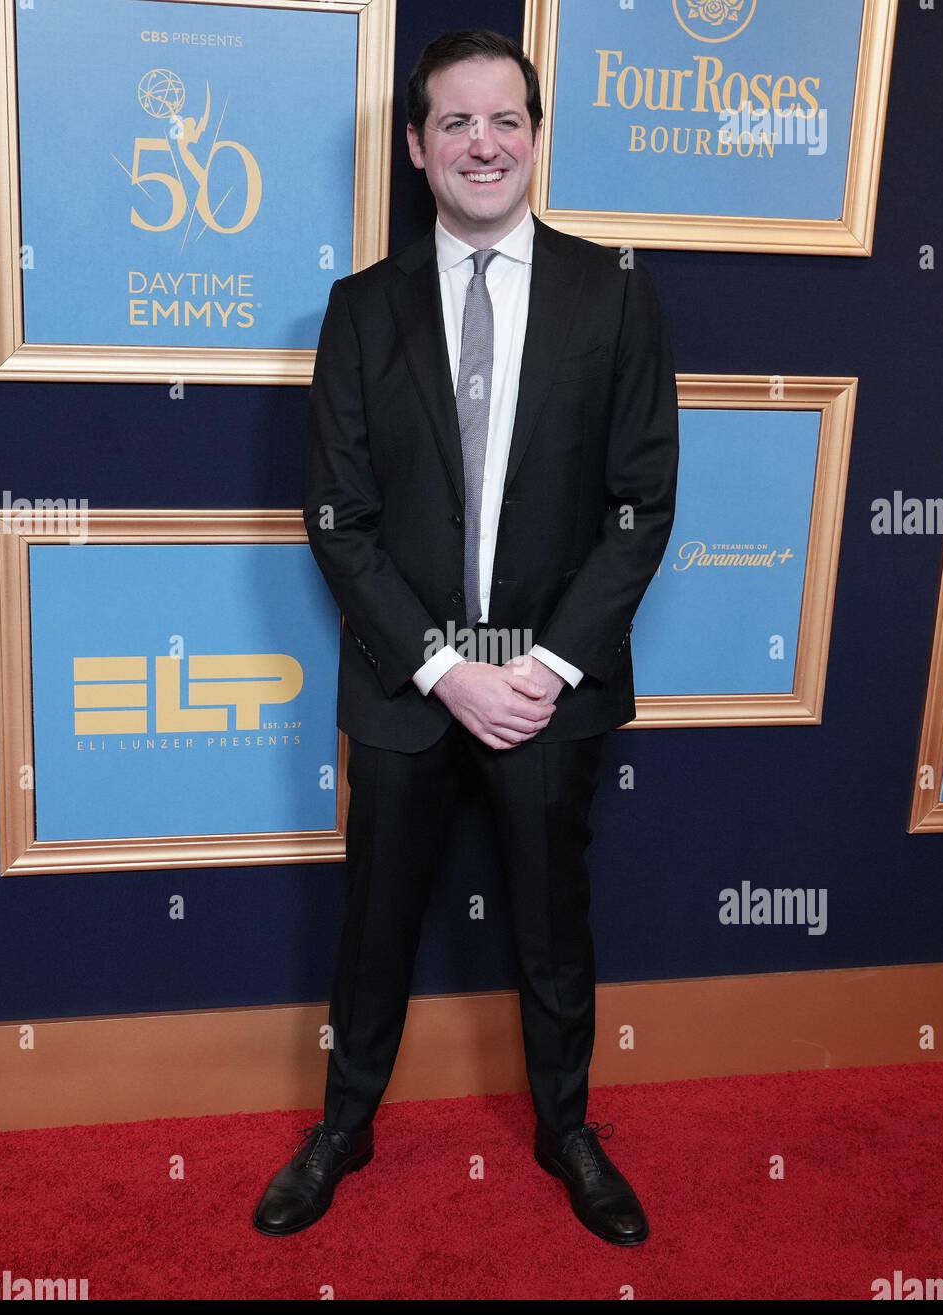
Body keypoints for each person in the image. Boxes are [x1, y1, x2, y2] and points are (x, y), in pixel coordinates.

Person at [254, 27, 678, 1246]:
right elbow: (337, 517)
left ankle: (566, 1131)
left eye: (505, 120)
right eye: (454, 122)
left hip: (550, 689)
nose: (481, 143)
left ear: (536, 139)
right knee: (373, 917)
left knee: (554, 926)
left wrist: (538, 671)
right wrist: (444, 669)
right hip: (405, 683)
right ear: (414, 146)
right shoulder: (358, 310)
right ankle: (342, 1126)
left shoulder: (617, 294)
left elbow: (641, 503)